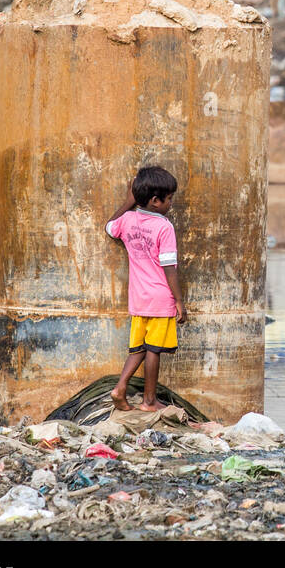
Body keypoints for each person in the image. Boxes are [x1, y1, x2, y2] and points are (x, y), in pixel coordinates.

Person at [104, 166, 186, 411]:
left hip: (138, 298)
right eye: (169, 199)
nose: (171, 203)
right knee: (154, 350)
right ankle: (149, 401)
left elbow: (109, 226)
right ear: (155, 201)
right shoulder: (164, 227)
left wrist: (129, 202)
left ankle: (120, 389)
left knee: (139, 347)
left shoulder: (127, 219)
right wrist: (179, 301)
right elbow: (169, 266)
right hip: (161, 297)